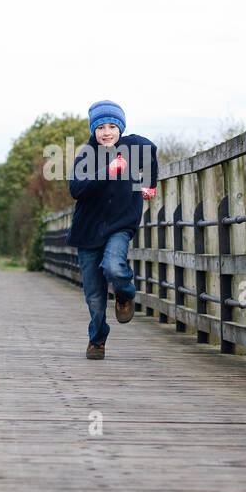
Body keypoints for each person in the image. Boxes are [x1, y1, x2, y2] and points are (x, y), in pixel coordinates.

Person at [67, 100, 157, 359]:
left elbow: (151, 153)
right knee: (94, 298)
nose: (106, 132)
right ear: (93, 131)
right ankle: (97, 340)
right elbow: (76, 189)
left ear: (121, 128)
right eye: (100, 128)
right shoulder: (86, 155)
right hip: (88, 232)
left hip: (120, 224)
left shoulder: (133, 145)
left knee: (114, 267)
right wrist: (108, 170)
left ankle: (124, 294)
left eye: (112, 126)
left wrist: (150, 184)